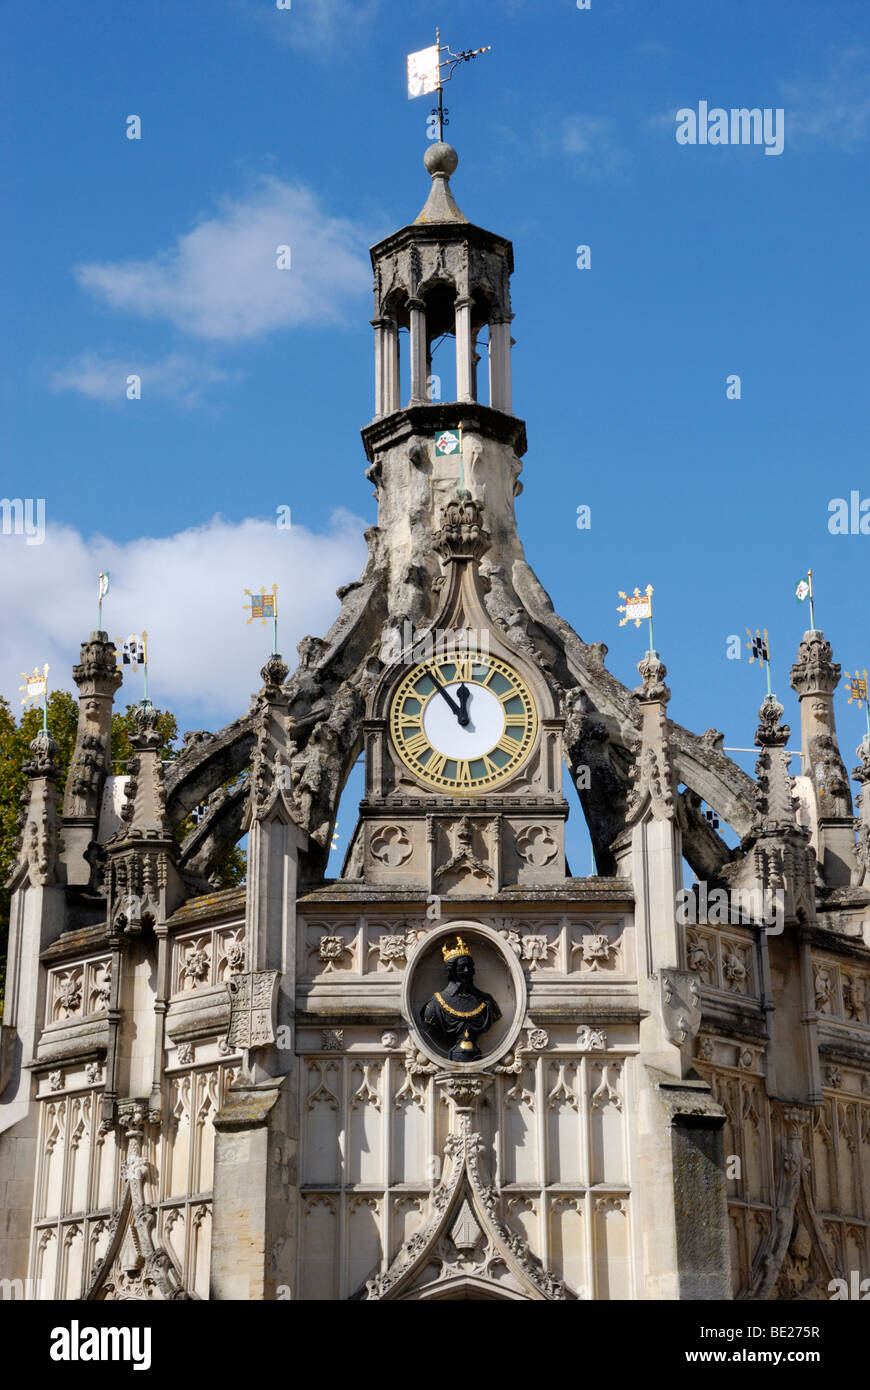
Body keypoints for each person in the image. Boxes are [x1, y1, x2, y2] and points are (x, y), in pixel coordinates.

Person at [420, 936, 500, 1062]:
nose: (467, 970)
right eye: (462, 967)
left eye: (470, 966)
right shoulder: (435, 1004)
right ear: (452, 971)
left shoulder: (487, 1002)